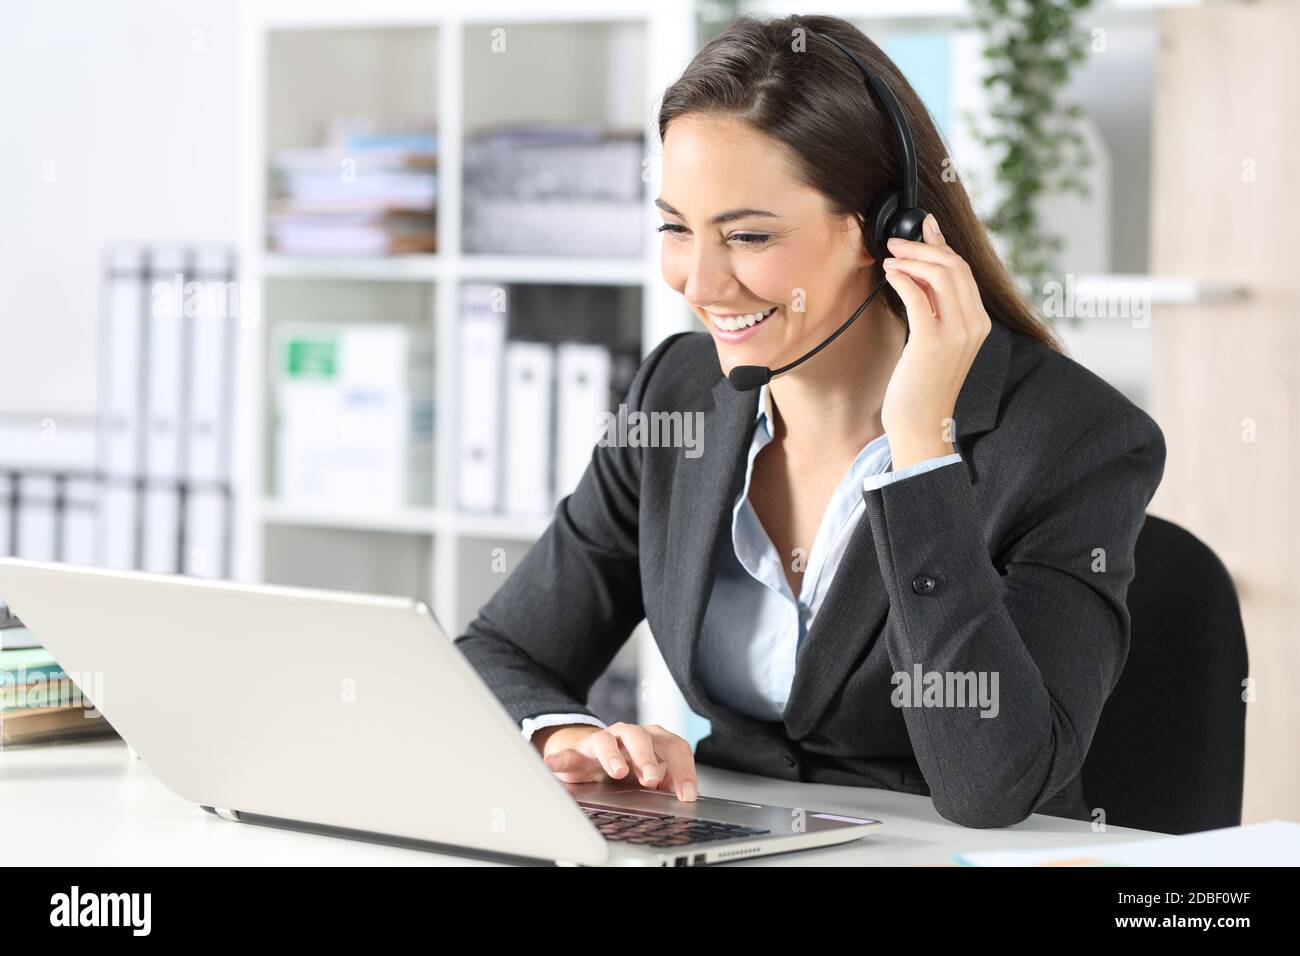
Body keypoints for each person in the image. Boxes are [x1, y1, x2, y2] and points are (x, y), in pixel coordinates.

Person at [455, 13, 1165, 828]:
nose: (701, 282)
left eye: (749, 235)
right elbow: (500, 651)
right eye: (676, 228)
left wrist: (922, 455)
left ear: (886, 229)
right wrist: (567, 736)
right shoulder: (677, 398)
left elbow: (993, 786)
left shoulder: (1074, 440)